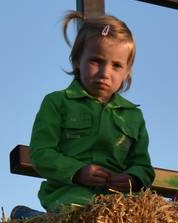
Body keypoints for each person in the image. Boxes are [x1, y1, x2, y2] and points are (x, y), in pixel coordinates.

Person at [28, 11, 154, 212]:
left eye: (116, 65)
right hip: (69, 192)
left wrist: (133, 178)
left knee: (148, 215)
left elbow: (143, 165)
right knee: (85, 212)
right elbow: (41, 153)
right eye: (96, 61)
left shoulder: (133, 116)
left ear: (127, 71)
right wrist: (77, 171)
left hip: (118, 200)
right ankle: (29, 220)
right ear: (77, 60)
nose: (105, 73)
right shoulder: (57, 102)